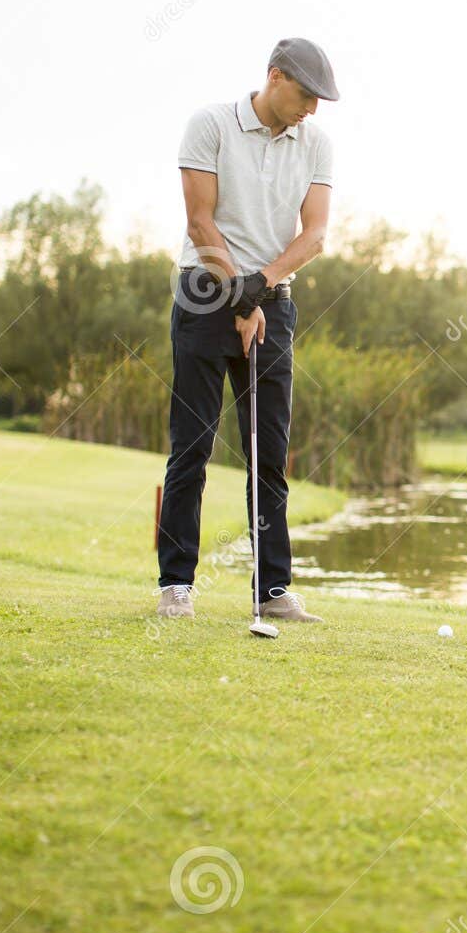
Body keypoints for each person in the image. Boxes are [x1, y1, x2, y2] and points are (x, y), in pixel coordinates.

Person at [155, 37, 338, 622]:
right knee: (193, 446)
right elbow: (199, 218)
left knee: (270, 452)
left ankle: (272, 589)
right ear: (275, 76)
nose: (311, 108)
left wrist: (259, 287)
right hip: (206, 292)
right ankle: (176, 583)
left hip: (272, 301)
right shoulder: (210, 124)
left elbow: (313, 236)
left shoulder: (316, 143)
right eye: (306, 94)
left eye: (320, 100)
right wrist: (237, 294)